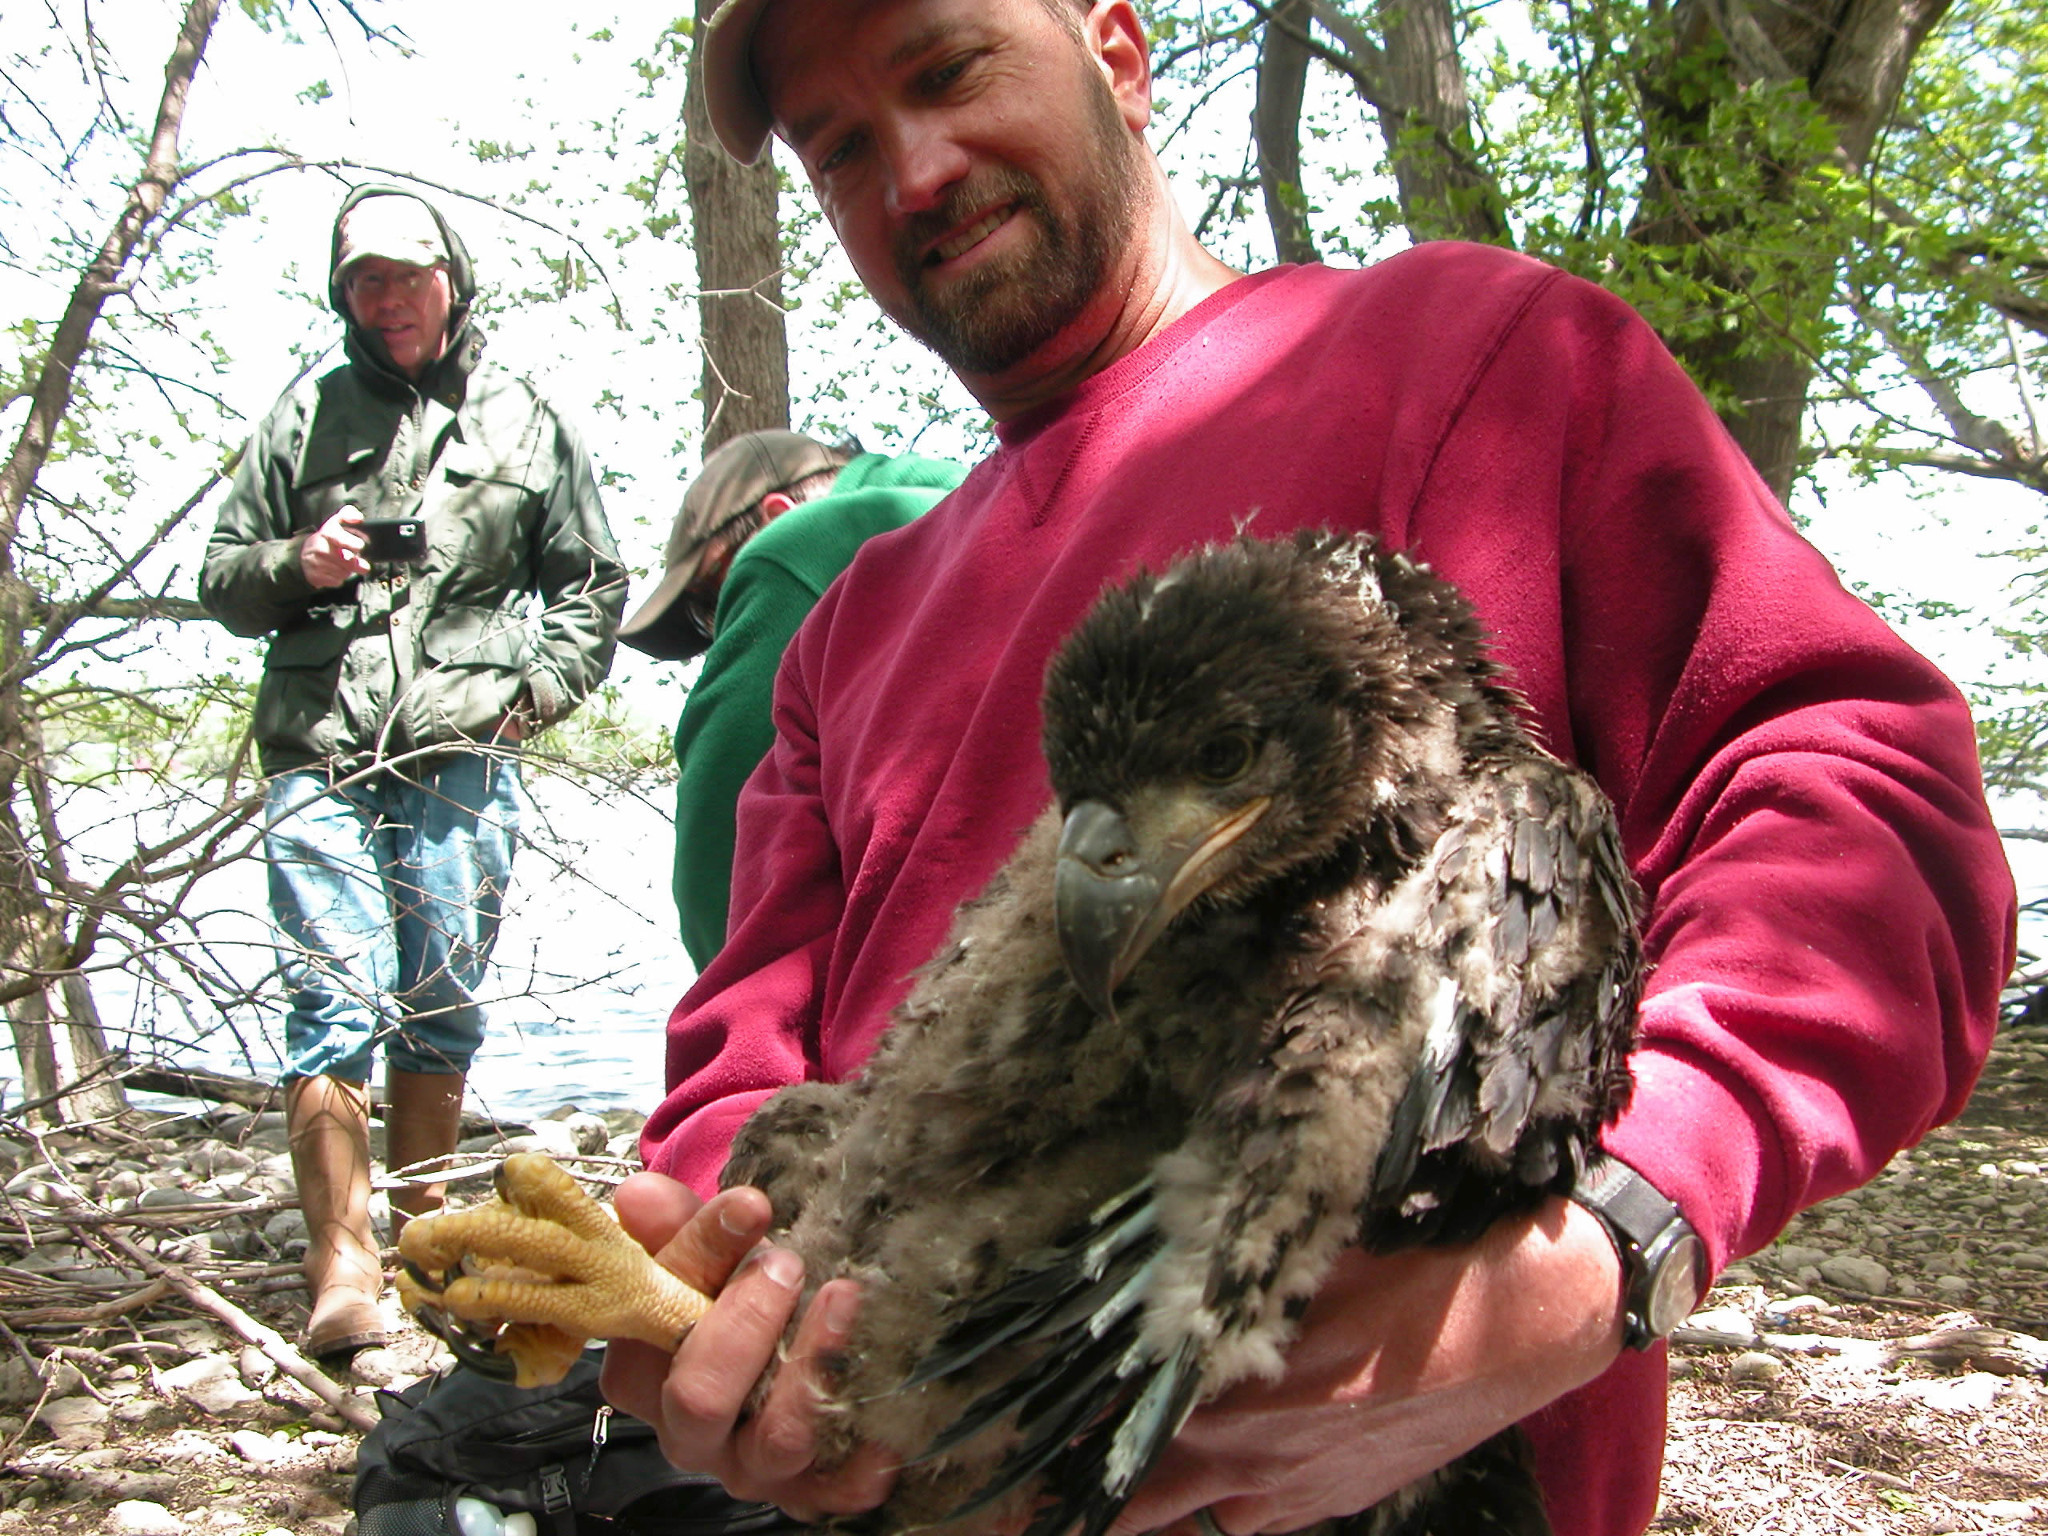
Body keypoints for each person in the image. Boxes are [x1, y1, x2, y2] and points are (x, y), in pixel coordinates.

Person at [602, 3, 2018, 1534]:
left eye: (947, 73)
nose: (916, 172)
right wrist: (716, 1297)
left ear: (1121, 56)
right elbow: (744, 1052)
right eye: (842, 150)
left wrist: (1606, 1238)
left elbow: (1870, 807)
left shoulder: (1474, 359)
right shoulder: (848, 618)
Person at [201, 186, 628, 1359]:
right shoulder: (302, 413)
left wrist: (534, 694)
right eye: (362, 282)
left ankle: (422, 1228)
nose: (385, 300)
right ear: (341, 294)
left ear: (452, 279)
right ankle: (340, 1263)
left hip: (461, 754)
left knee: (439, 999)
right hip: (320, 749)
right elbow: (223, 580)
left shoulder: (525, 419)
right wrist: (299, 558)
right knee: (330, 994)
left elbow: (593, 582)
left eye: (405, 277)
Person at [616, 431, 966, 968]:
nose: (717, 631)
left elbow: (721, 874)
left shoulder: (802, 546)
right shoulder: (986, 492)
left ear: (776, 515)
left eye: (711, 599)